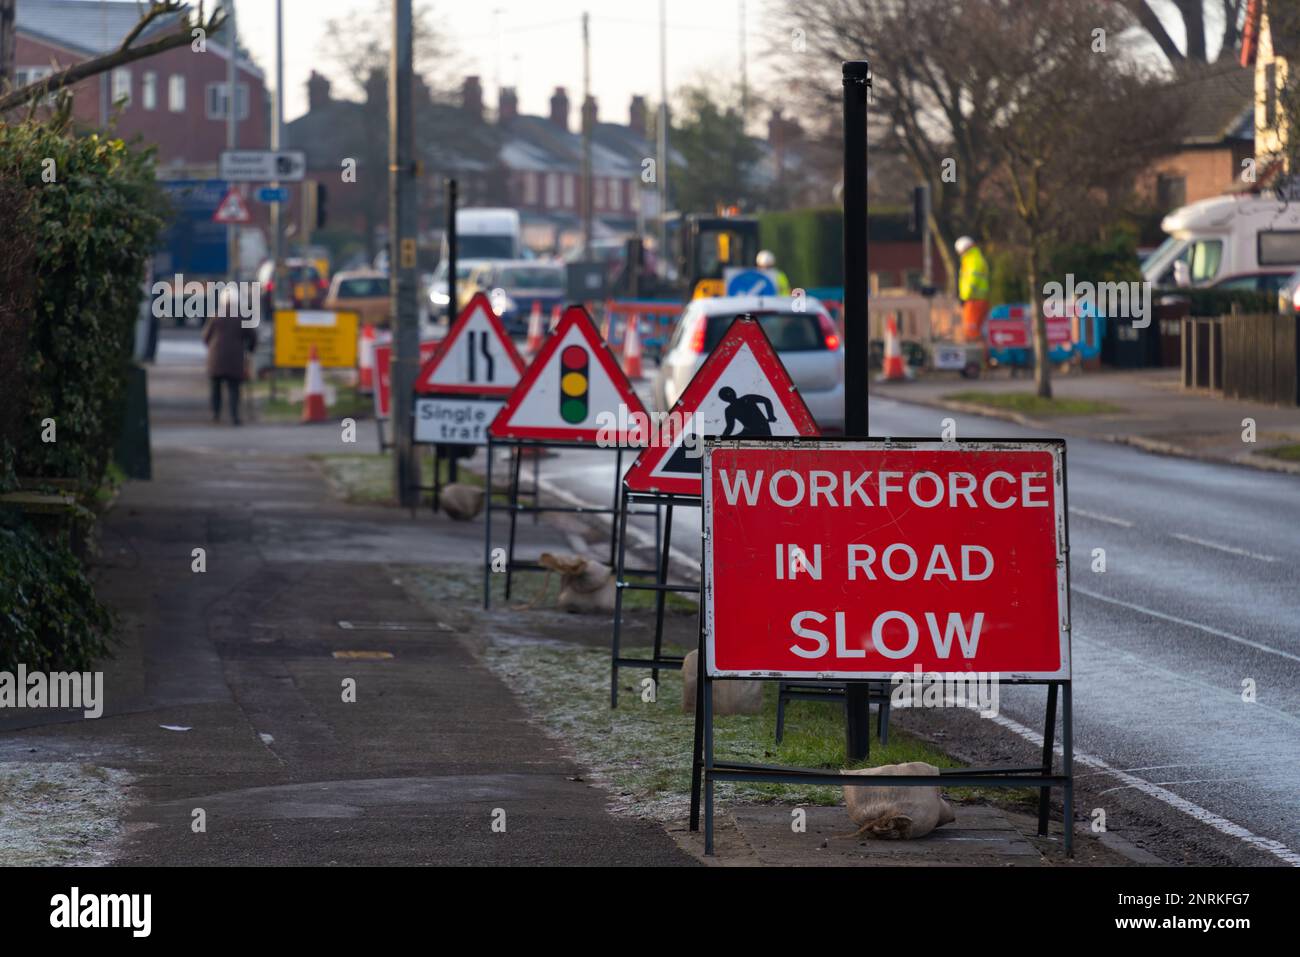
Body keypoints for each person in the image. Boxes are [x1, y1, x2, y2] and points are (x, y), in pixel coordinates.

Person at [202, 289, 258, 425]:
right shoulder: (241, 317)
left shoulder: (216, 316)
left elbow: (205, 337)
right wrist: (250, 349)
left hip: (216, 359)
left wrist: (211, 347)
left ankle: (216, 414)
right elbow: (252, 337)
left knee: (215, 388)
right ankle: (234, 416)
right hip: (234, 359)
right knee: (234, 388)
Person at [955, 236, 990, 342]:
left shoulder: (972, 260)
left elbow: (971, 281)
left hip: (973, 300)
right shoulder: (977, 258)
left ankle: (976, 356)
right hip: (979, 300)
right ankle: (982, 355)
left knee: (970, 331)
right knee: (976, 330)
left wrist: (965, 297)